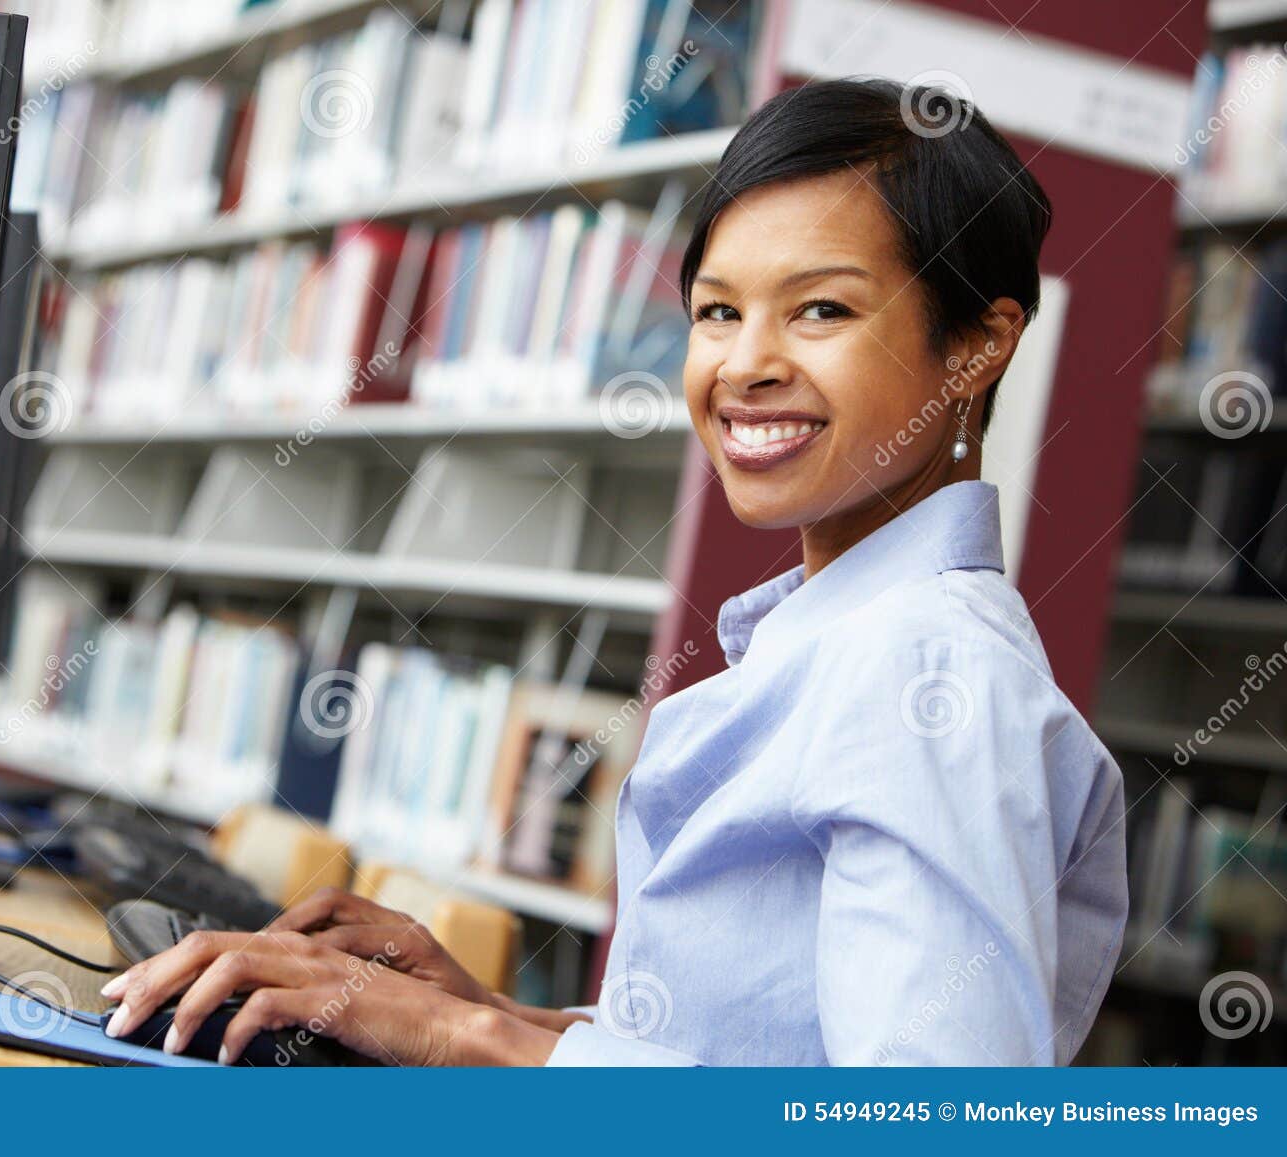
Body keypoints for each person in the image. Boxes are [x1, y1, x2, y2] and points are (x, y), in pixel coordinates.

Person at [100, 77, 1128, 1066]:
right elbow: (760, 1062)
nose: (743, 364)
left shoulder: (931, 674)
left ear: (977, 348)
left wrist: (471, 1039)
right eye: (717, 311)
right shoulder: (850, 636)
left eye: (820, 310)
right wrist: (492, 1011)